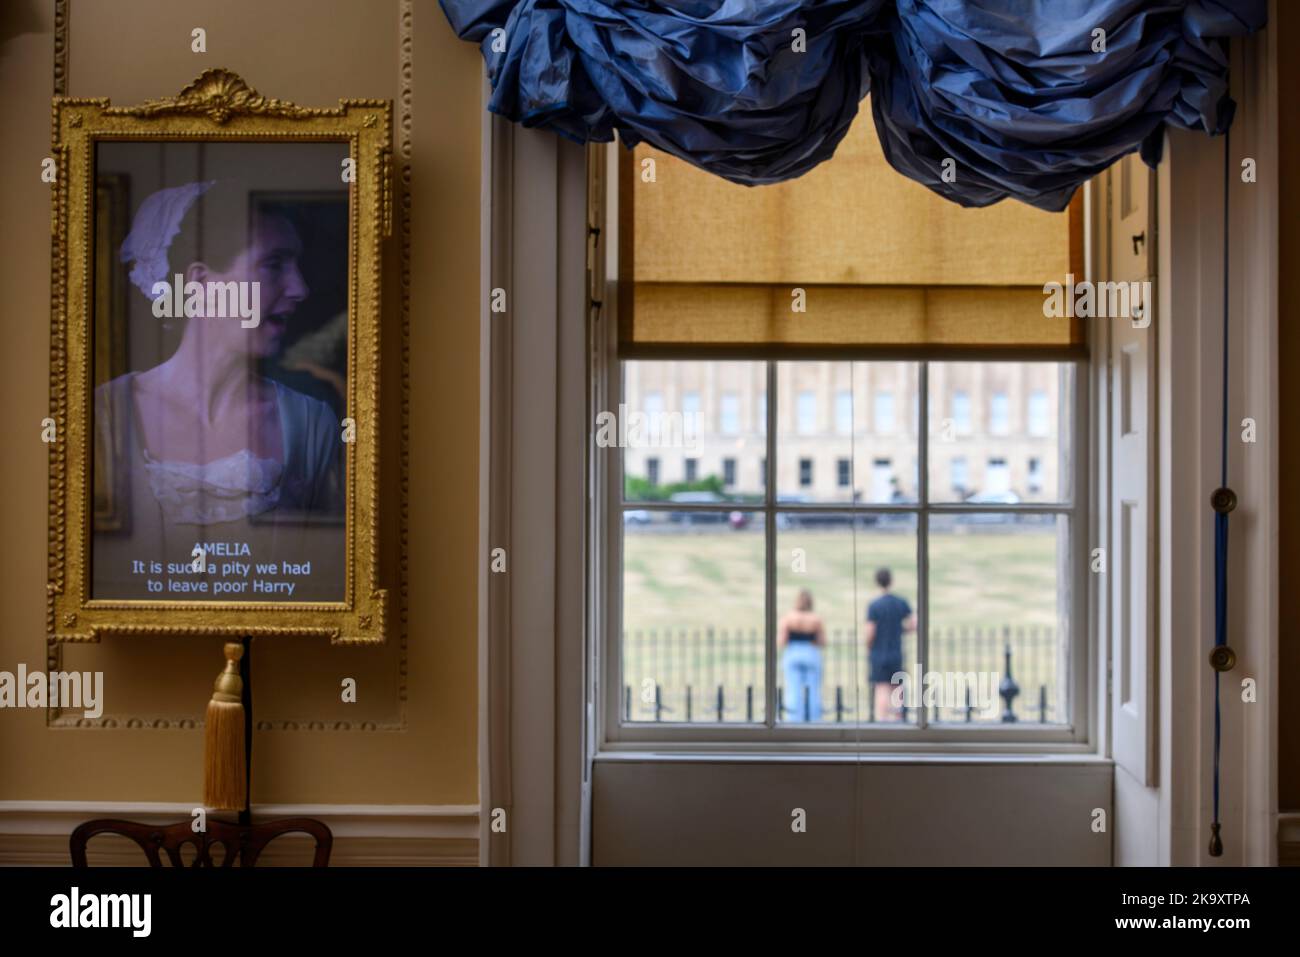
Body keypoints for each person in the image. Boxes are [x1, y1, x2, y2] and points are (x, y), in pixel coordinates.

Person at [93, 179, 344, 600]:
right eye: (275, 264)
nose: (300, 288)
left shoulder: (312, 423)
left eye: (296, 265)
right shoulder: (102, 413)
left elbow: (331, 585)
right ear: (202, 284)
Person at [865, 568, 915, 721]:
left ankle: (883, 720)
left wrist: (869, 646)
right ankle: (898, 719)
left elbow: (870, 632)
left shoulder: (874, 606)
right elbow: (914, 623)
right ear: (891, 581)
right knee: (897, 688)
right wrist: (901, 629)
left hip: (879, 653)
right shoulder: (900, 602)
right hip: (896, 652)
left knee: (881, 688)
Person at [779, 589, 825, 722]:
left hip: (793, 652)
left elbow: (782, 640)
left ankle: (793, 718)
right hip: (811, 652)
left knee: (793, 689)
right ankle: (813, 718)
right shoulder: (816, 619)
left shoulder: (788, 618)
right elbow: (822, 641)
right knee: (813, 688)